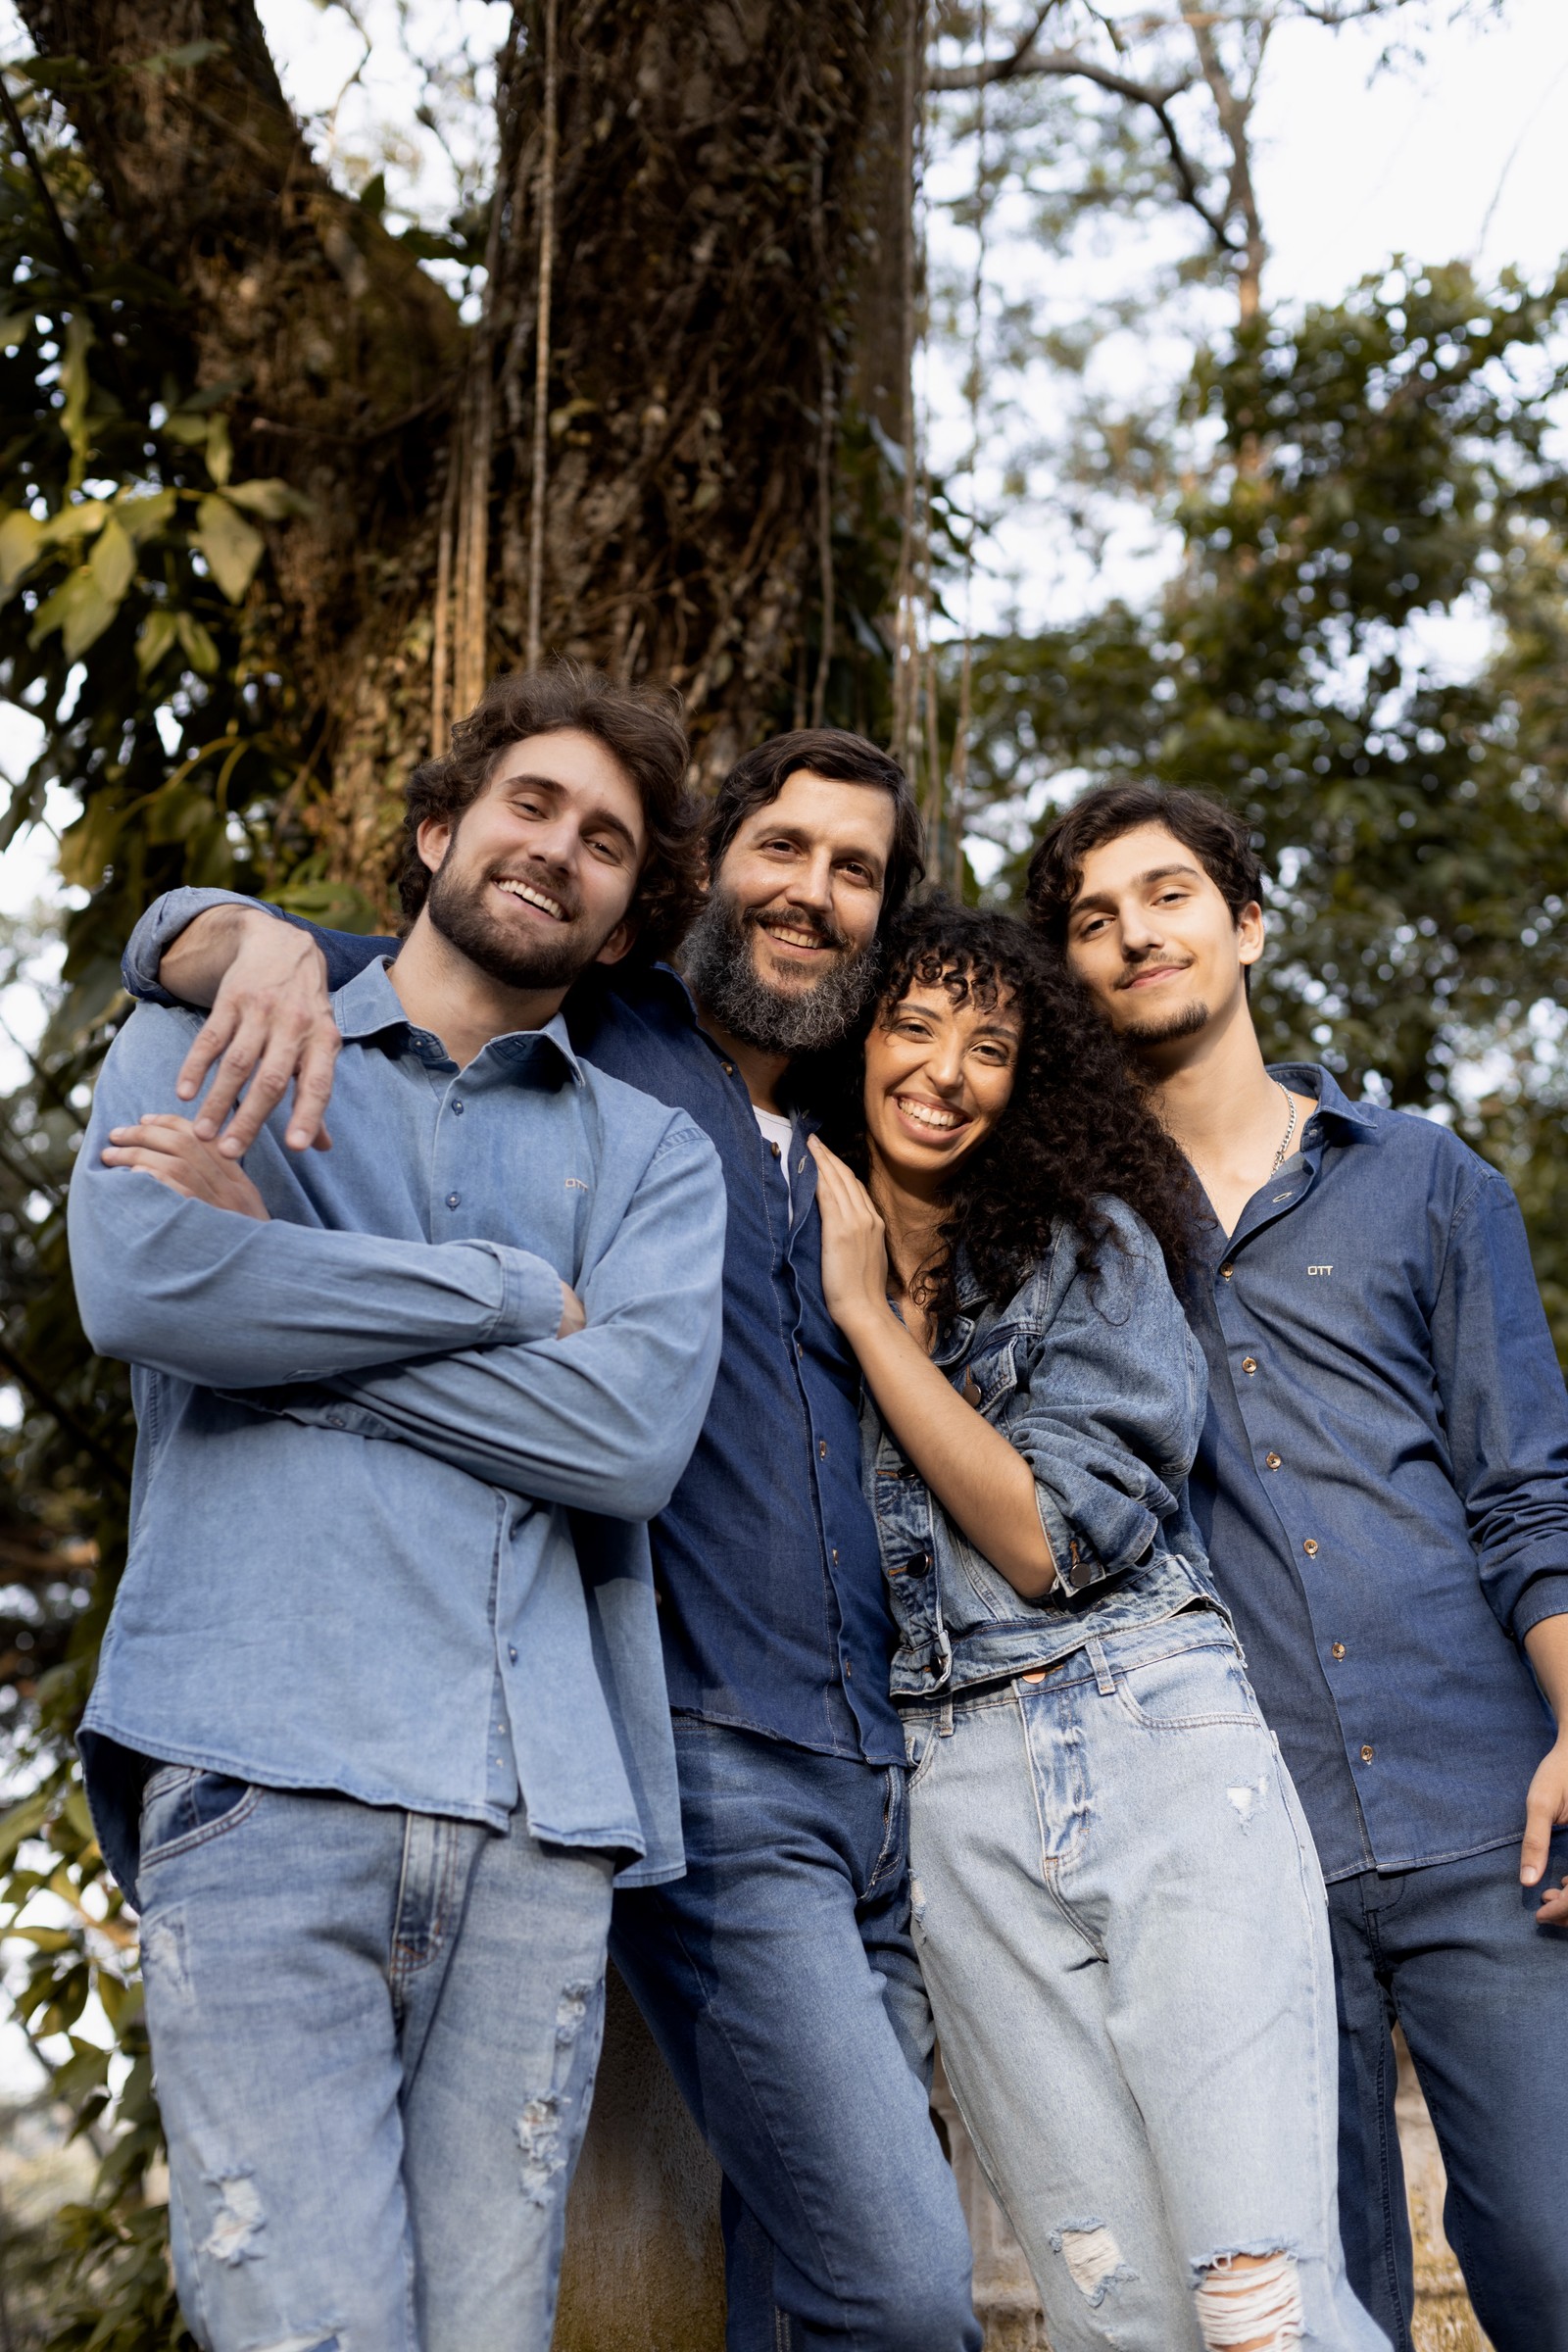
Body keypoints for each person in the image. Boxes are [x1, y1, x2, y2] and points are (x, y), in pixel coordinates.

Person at [116, 721, 981, 2352]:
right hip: (696, 1753)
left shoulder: (871, 1141)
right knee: (905, 2289)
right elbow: (269, 956)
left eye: (856, 871)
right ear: (698, 878)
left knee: (808, 2282)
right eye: (780, 850)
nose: (813, 896)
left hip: (881, 1769)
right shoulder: (595, 1035)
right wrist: (219, 929)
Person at [69, 666, 727, 2352]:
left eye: (606, 843)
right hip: (259, 1767)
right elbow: (147, 1284)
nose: (559, 851)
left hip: (535, 1819)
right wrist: (507, 1291)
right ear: (440, 827)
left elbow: (627, 1441)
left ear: (620, 922)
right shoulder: (222, 1014)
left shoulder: (655, 1157)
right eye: (530, 804)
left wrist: (281, 1302)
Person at [1027, 782, 1568, 2352]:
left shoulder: (1427, 1181)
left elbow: (1528, 1485)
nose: (1136, 931)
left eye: (1169, 892)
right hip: (1240, 1845)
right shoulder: (1071, 1231)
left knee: (1549, 2248)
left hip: (1488, 1814)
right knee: (1308, 2302)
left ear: (1246, 925)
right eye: (1091, 918)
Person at [806, 895, 1387, 2352]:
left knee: (1260, 2305)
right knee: (1112, 2314)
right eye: (913, 1025)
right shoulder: (777, 1256)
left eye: (989, 1046)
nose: (943, 1069)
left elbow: (1051, 1536)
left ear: (1031, 1082)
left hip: (1148, 1733)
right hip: (949, 1800)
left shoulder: (1090, 1247)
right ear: (859, 1040)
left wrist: (874, 1320)